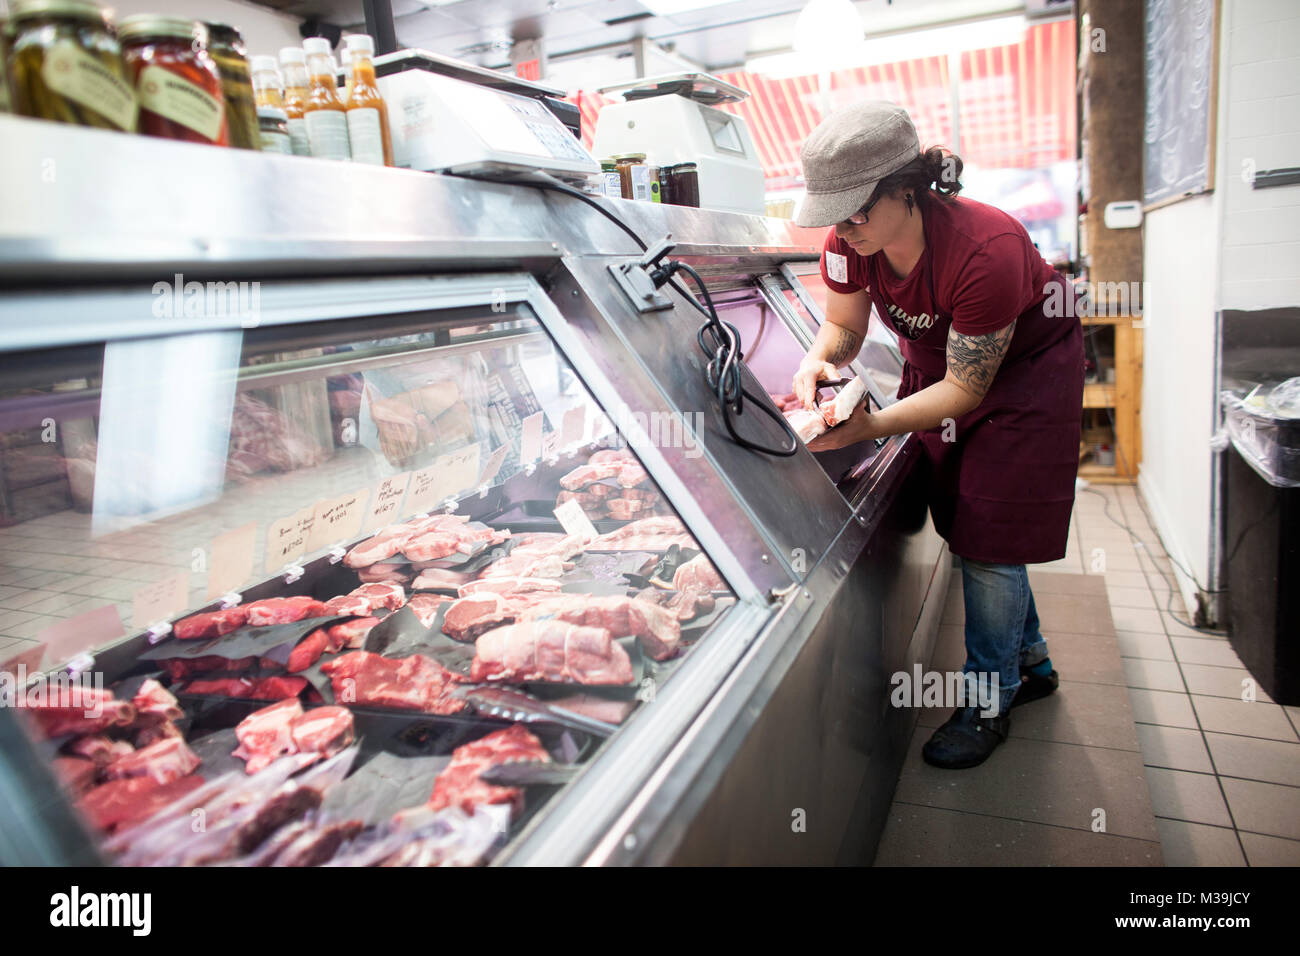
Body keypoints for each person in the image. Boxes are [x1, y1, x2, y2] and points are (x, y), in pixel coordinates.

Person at [792, 101, 1084, 769]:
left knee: (989, 533)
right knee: (963, 513)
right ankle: (1033, 663)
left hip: (1022, 378)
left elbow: (967, 389)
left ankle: (990, 700)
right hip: (942, 368)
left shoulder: (988, 249)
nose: (843, 228)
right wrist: (820, 358)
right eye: (833, 213)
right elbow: (844, 329)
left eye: (857, 210)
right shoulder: (847, 243)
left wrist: (871, 427)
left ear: (908, 188)